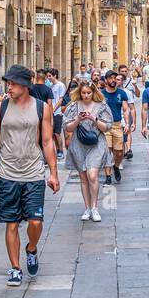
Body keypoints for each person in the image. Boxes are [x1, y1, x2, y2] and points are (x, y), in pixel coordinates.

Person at [0, 65, 60, 286]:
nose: (10, 86)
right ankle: (15, 268)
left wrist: (53, 173)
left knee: (35, 221)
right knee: (12, 223)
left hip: (34, 173)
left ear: (26, 85)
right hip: (8, 174)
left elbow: (47, 142)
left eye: (14, 83)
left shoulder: (41, 109)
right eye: (9, 82)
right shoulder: (1, 107)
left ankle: (32, 248)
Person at [62, 79, 112, 221]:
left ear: (93, 92)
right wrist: (77, 119)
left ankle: (95, 208)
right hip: (79, 144)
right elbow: (67, 127)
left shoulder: (101, 106)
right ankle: (87, 208)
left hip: (97, 143)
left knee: (92, 175)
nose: (86, 95)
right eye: (83, 92)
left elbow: (107, 127)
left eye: (88, 92)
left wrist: (94, 118)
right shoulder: (73, 106)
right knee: (83, 178)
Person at [101, 69, 131, 185]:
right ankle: (108, 176)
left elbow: (125, 109)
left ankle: (116, 166)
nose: (113, 80)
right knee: (107, 151)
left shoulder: (121, 93)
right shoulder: (101, 94)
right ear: (106, 80)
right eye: (110, 78)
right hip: (105, 125)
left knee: (119, 152)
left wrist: (127, 124)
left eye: (115, 78)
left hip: (118, 125)